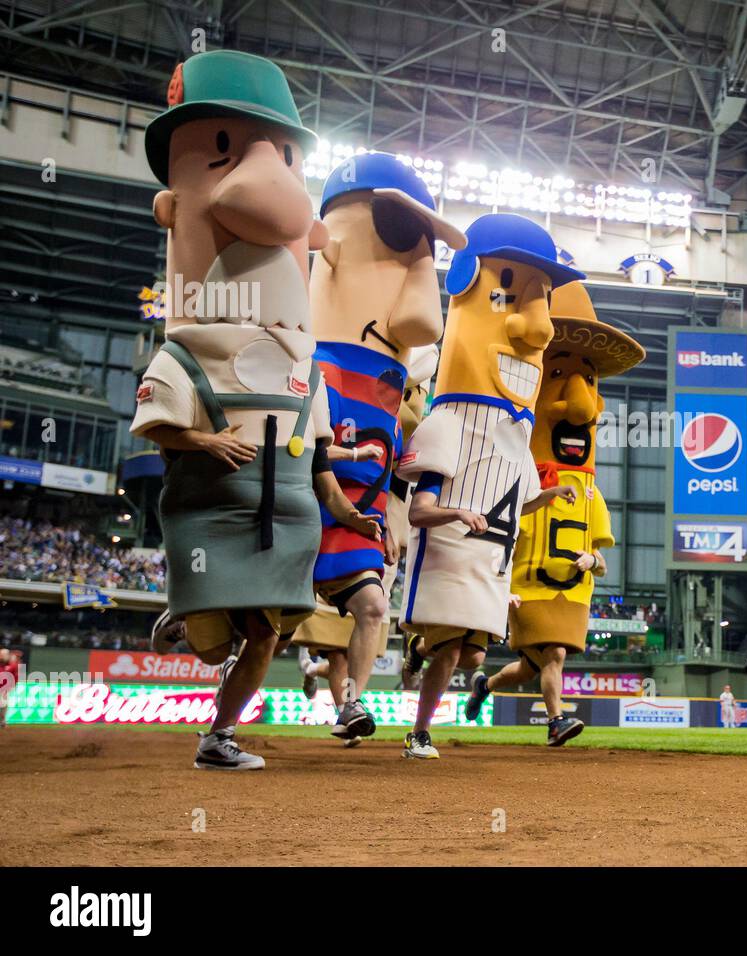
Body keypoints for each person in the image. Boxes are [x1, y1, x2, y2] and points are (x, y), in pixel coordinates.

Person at [131, 50, 374, 771]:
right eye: (227, 149)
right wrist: (206, 444)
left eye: (287, 158)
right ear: (173, 208)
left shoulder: (308, 367)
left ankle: (216, 737)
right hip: (213, 507)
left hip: (283, 520)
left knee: (267, 638)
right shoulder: (189, 346)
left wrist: (345, 510)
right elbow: (158, 426)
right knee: (223, 603)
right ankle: (189, 601)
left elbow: (321, 459)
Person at [289, 152, 464, 744]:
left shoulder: (395, 400)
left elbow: (387, 471)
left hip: (354, 525)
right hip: (291, 517)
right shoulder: (306, 373)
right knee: (270, 622)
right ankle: (215, 645)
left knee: (371, 609)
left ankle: (353, 705)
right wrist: (347, 461)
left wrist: (386, 518)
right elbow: (295, 453)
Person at [395, 213, 583, 760]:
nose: (539, 329)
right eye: (508, 296)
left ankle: (419, 646)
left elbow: (520, 502)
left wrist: (552, 495)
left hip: (493, 561)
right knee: (453, 654)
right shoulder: (448, 421)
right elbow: (420, 510)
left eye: (542, 301)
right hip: (454, 552)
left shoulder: (515, 435)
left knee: (473, 658)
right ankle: (420, 733)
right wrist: (457, 516)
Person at [461, 280, 645, 746]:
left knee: (532, 666)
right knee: (556, 656)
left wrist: (592, 562)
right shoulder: (519, 477)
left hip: (574, 592)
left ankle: (485, 685)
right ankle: (555, 721)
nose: (581, 403)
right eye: (559, 372)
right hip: (528, 586)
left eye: (589, 378)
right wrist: (499, 588)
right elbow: (498, 534)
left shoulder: (591, 495)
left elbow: (601, 558)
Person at [0, 647, 20, 727]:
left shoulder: (12, 665)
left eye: (3, 655)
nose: (1, 656)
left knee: (4, 705)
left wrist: (13, 685)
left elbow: (15, 676)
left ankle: (2, 722)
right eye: (1, 654)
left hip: (4, 689)